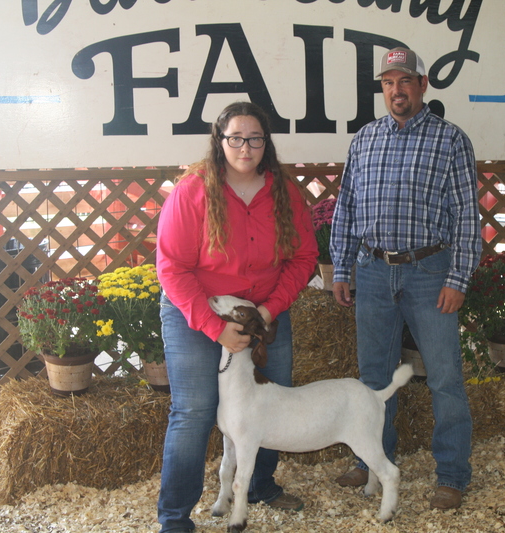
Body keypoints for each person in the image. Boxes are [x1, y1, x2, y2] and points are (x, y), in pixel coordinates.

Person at [155, 101, 318, 533]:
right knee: (194, 410)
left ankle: (261, 484)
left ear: (267, 142)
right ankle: (174, 517)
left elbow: (304, 258)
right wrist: (216, 328)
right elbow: (171, 266)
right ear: (220, 140)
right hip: (197, 309)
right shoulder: (193, 190)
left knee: (274, 398)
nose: (245, 147)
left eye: (255, 138)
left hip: (263, 311)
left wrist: (266, 312)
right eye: (235, 138)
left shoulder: (284, 189)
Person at [329, 47, 481, 510]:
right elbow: (347, 208)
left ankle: (452, 474)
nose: (396, 90)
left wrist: (458, 278)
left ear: (423, 85)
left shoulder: (450, 140)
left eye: (405, 81)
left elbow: (466, 218)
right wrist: (342, 266)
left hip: (429, 273)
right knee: (374, 377)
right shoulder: (365, 139)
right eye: (388, 83)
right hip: (374, 272)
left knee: (444, 378)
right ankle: (373, 462)